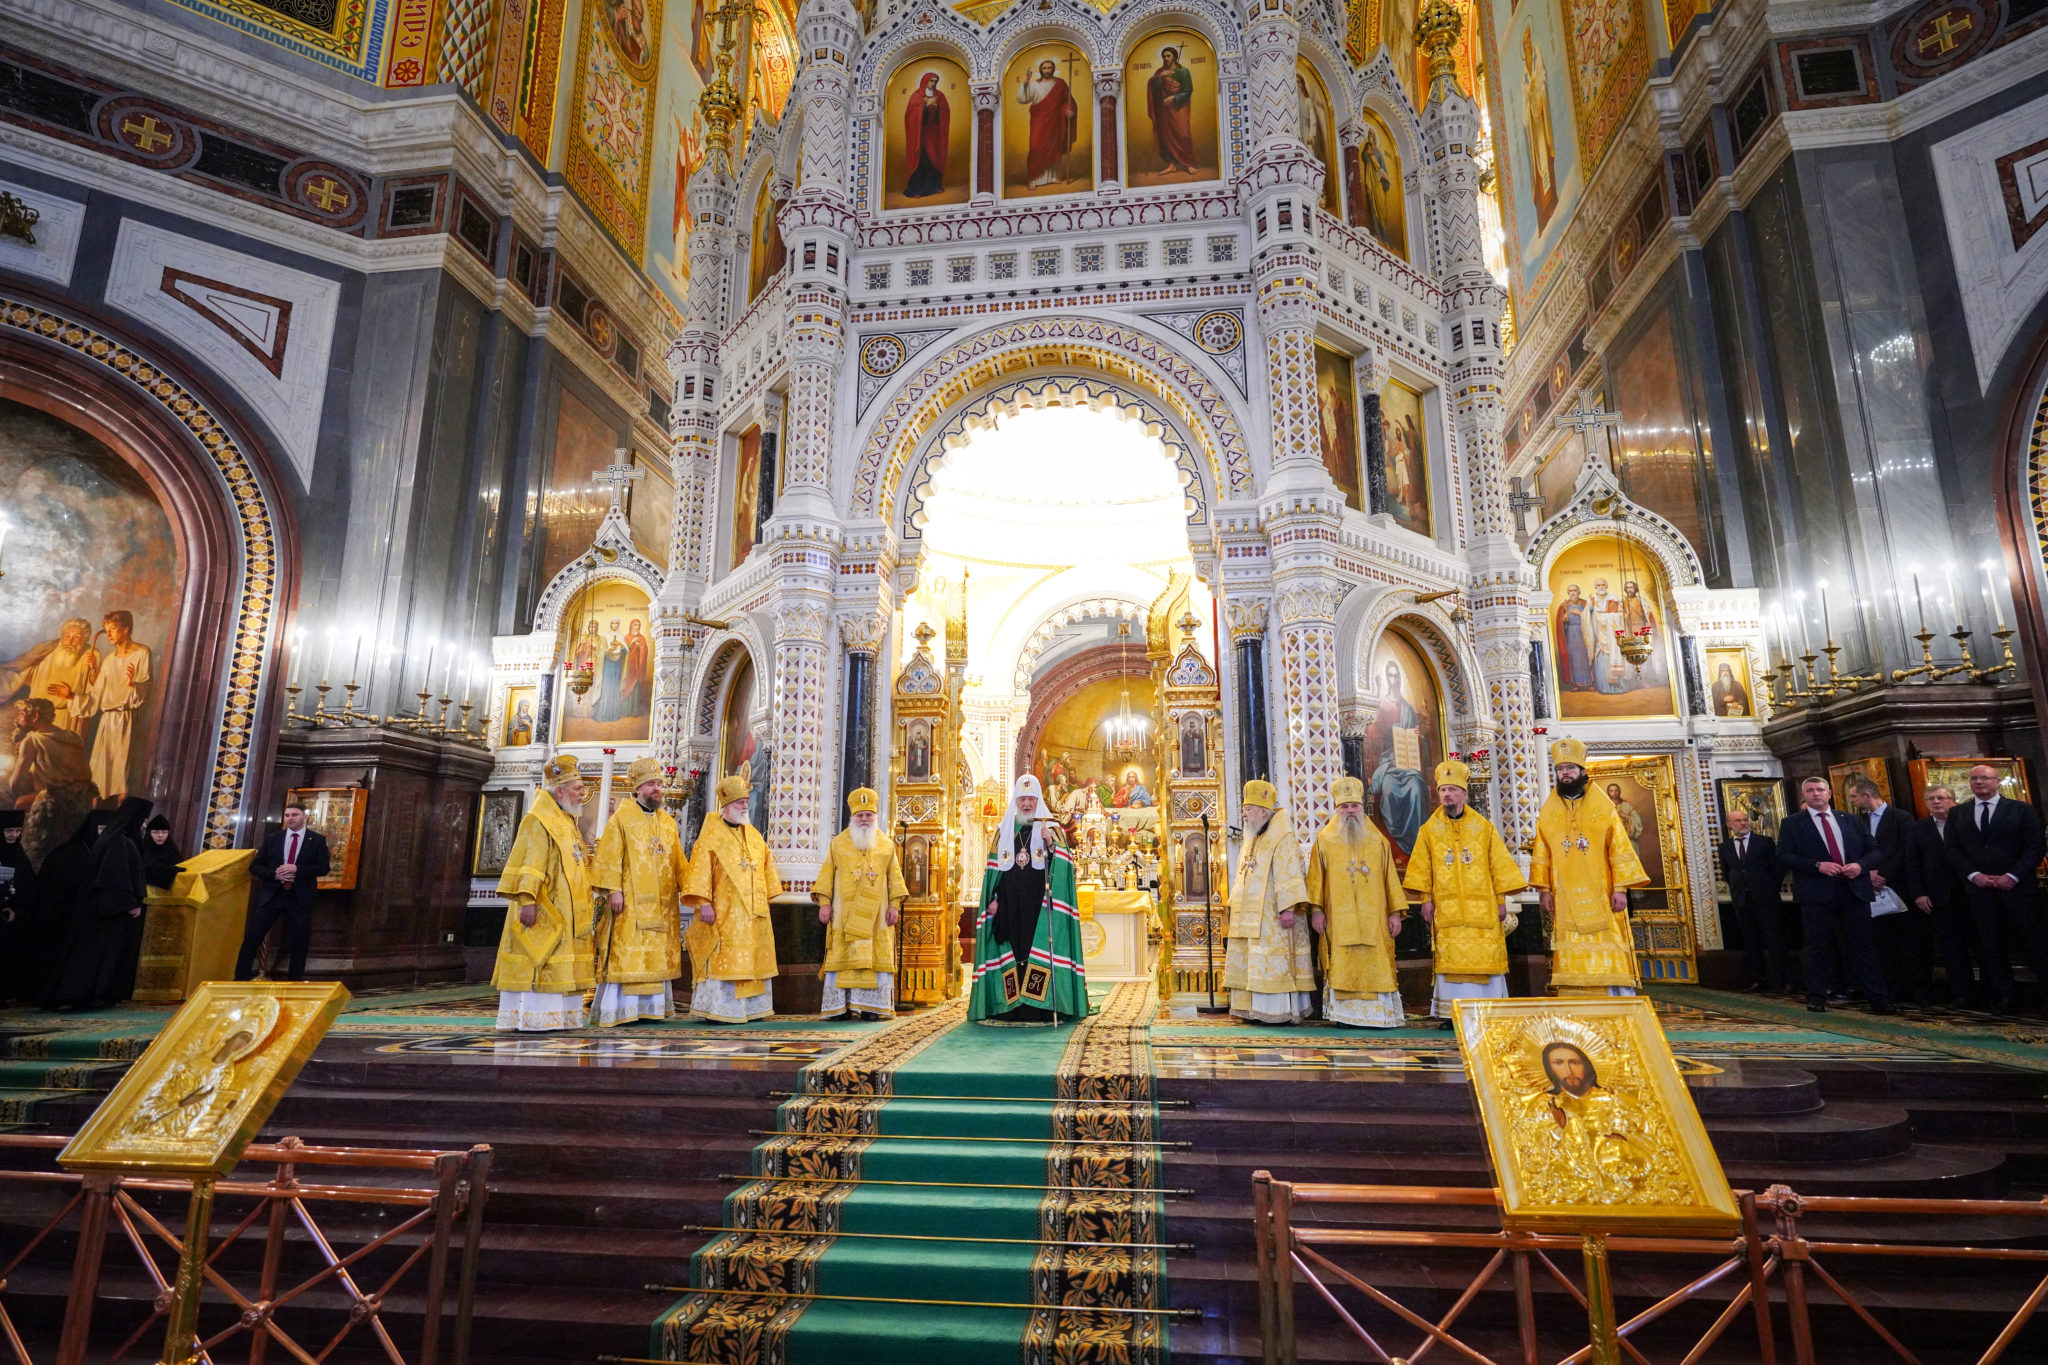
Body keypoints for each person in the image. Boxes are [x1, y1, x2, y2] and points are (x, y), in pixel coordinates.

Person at [1403, 760, 1525, 1027]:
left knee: (1485, 959)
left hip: (1483, 908)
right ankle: (1451, 1013)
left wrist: (1502, 900)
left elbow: (1498, 866)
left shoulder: (1483, 828)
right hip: (1447, 910)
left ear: (1464, 794)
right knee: (1451, 962)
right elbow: (1423, 868)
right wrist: (1424, 900)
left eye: (1453, 790)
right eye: (1443, 790)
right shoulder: (1429, 831)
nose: (1447, 794)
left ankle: (1488, 1011)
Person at [1530, 739, 1649, 996]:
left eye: (1571, 768)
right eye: (1561, 769)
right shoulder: (1548, 812)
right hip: (1564, 894)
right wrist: (1544, 891)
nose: (1565, 773)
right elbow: (1542, 854)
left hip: (1603, 890)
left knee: (1607, 938)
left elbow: (1618, 847)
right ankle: (1575, 994)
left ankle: (1614, 994)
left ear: (1583, 771)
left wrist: (1620, 888)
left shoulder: (1604, 807)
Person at [492, 755, 599, 1031]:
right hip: (544, 907)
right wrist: (527, 900)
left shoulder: (566, 819)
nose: (582, 794)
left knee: (561, 963)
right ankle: (535, 1018)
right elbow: (530, 862)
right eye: (577, 788)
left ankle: (562, 1018)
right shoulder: (538, 820)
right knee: (541, 958)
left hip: (568, 909)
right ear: (560, 790)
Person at [969, 774, 1087, 1024]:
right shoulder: (1004, 831)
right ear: (1016, 801)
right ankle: (1011, 1006)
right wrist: (995, 898)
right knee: (1013, 949)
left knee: (1037, 949)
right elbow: (994, 872)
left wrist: (1052, 846)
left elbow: (1065, 869)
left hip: (1040, 906)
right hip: (1009, 906)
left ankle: (1039, 1007)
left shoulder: (1051, 828)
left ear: (1038, 801)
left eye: (1031, 799)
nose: (1026, 804)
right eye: (1022, 799)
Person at [1777, 776, 1893, 1014]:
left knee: (1863, 946)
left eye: (1820, 789)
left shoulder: (1850, 820)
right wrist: (1817, 865)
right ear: (1804, 796)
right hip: (1817, 892)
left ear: (1829, 794)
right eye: (1810, 790)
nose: (1816, 794)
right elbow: (1783, 856)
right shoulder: (1793, 823)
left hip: (1853, 890)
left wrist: (1860, 866)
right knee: (1817, 946)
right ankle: (1817, 997)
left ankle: (1878, 999)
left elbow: (1875, 851)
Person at [1306, 776, 1409, 1027]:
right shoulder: (1324, 840)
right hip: (1338, 919)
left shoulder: (1378, 841)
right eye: (1345, 807)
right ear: (1337, 809)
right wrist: (1317, 911)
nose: (1350, 811)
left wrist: (1395, 913)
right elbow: (1315, 879)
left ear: (1362, 808)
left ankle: (1377, 1014)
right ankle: (1344, 1015)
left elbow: (1390, 880)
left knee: (1375, 957)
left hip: (1374, 919)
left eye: (1354, 806)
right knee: (1342, 958)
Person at [590, 757, 686, 1026]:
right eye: (652, 784)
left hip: (662, 905)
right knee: (628, 953)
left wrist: (695, 891)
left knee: (656, 954)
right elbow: (609, 856)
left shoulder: (668, 823)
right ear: (638, 789)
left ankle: (653, 1008)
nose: (658, 788)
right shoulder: (622, 818)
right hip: (629, 903)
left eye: (659, 783)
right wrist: (613, 890)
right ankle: (622, 1009)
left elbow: (679, 862)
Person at [1947, 764, 2048, 1016]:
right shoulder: (1958, 813)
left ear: (1997, 781)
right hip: (1979, 891)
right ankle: (2004, 997)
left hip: (2018, 888)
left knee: (2034, 942)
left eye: (1984, 778)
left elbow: (2035, 846)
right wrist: (1974, 875)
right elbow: (1952, 849)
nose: (1979, 782)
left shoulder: (2021, 810)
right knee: (1991, 945)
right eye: (1974, 778)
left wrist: (2013, 875)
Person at [680, 774, 781, 1022]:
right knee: (726, 957)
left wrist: (764, 899)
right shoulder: (710, 838)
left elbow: (766, 871)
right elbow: (699, 871)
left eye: (746, 801)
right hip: (723, 912)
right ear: (725, 807)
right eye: (739, 803)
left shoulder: (755, 836)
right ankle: (720, 1009)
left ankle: (752, 1009)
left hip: (753, 914)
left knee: (751, 959)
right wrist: (703, 903)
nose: (745, 806)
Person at [43, 797, 152, 1010]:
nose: (144, 825)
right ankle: (91, 995)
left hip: (101, 912)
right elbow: (115, 878)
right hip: (108, 913)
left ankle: (90, 994)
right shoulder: (118, 841)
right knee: (98, 956)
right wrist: (130, 903)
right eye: (143, 820)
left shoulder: (116, 838)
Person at [1221, 779, 1315, 1024]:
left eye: (1247, 809)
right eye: (1243, 809)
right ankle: (1252, 1009)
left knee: (1271, 958)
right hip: (1250, 916)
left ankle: (1275, 1011)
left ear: (1263, 811)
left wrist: (1288, 908)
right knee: (1253, 959)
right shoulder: (1253, 836)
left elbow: (1290, 872)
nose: (1243, 813)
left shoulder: (1281, 836)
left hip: (1273, 915)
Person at [814, 787, 908, 1020]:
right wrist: (824, 903)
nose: (864, 819)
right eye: (860, 815)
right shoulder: (838, 844)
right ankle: (841, 1008)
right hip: (844, 914)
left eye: (869, 815)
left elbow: (894, 877)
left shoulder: (886, 845)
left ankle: (870, 1008)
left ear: (875, 818)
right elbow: (826, 876)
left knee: (872, 960)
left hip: (876, 917)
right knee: (843, 959)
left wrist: (894, 905)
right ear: (852, 817)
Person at [234, 800, 333, 982]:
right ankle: (241, 977)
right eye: (287, 815)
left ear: (305, 816)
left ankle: (294, 979)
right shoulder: (273, 839)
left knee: (299, 938)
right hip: (273, 895)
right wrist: (275, 875)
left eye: (294, 815)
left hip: (299, 896)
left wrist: (297, 869)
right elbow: (255, 867)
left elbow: (323, 868)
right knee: (253, 935)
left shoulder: (317, 840)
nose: (290, 819)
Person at [1850, 778, 1922, 1004]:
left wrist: (1884, 875)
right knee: (1882, 943)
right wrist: (1867, 871)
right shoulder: (1857, 821)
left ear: (1867, 795)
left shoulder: (1901, 818)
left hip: (1899, 886)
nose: (1851, 801)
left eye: (1854, 796)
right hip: (1870, 889)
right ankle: (1890, 989)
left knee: (1909, 942)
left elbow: (1906, 850)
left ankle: (1918, 991)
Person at [1906, 785, 1978, 1007]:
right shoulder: (1919, 829)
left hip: (1972, 892)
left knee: (1982, 944)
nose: (1936, 802)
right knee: (1951, 949)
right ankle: (1962, 994)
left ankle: (1992, 992)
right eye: (1930, 799)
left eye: (1941, 798)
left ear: (1953, 800)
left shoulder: (1968, 824)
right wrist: (1919, 893)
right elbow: (1913, 864)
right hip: (1939, 897)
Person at [72, 611, 151, 804]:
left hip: (127, 720)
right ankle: (96, 822)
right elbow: (97, 693)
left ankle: (119, 822)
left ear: (126, 628)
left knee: (122, 775)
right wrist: (71, 695)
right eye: (106, 630)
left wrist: (133, 684)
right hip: (107, 722)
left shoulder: (142, 653)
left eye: (113, 629)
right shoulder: (108, 660)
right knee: (100, 774)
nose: (108, 634)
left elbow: (145, 687)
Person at [1720, 806, 1790, 993]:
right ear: (1729, 825)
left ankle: (1783, 981)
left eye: (1744, 820)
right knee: (1751, 942)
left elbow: (1777, 868)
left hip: (1766, 899)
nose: (1743, 823)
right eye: (1738, 821)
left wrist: (1769, 888)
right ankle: (1759, 980)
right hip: (1742, 901)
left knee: (1774, 940)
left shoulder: (1764, 842)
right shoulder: (1725, 847)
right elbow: (1728, 873)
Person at [7, 697, 91, 809]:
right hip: (81, 797)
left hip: (55, 798)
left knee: (19, 803)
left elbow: (15, 784)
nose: (16, 719)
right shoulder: (73, 736)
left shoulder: (32, 740)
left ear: (35, 716)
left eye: (21, 715)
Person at [1016, 58, 1077, 189]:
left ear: (1053, 69)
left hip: (1056, 121)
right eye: (1044, 68)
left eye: (1049, 68)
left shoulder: (1060, 84)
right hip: (1039, 121)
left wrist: (1069, 110)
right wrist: (1026, 81)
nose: (1047, 70)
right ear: (1040, 70)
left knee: (1054, 147)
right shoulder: (1034, 85)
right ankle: (1034, 178)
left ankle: (1054, 176)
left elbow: (1068, 100)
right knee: (1036, 147)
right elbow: (1022, 99)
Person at [0, 811, 34, 1004]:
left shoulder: (19, 855)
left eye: (17, 830)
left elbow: (28, 887)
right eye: (8, 830)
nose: (13, 835)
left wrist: (16, 909)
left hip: (11, 920)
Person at [1146, 46, 1195, 175]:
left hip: (1178, 108)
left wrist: (1174, 98)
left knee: (1183, 133)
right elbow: (1153, 86)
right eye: (1164, 56)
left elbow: (1188, 90)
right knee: (1165, 136)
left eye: (1168, 56)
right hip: (1164, 109)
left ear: (1174, 57)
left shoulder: (1183, 72)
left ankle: (1188, 163)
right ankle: (1172, 164)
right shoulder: (1160, 71)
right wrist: (1161, 76)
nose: (1166, 58)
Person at [903, 71, 951, 199]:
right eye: (931, 80)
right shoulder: (916, 95)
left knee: (933, 157)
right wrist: (925, 106)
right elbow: (910, 115)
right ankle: (917, 189)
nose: (933, 83)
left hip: (933, 134)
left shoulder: (940, 96)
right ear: (925, 81)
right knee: (921, 158)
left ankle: (934, 186)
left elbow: (945, 114)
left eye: (935, 81)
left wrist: (937, 109)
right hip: (919, 135)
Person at [141, 814, 184, 891]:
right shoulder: (141, 850)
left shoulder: (172, 851)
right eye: (156, 832)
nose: (160, 835)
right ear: (149, 833)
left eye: (164, 832)